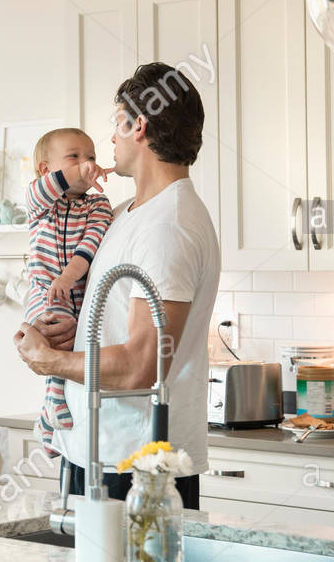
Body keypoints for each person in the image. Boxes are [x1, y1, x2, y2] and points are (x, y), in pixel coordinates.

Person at [13, 62, 220, 508]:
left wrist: (51, 360)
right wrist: (70, 335)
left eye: (116, 126)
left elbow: (142, 365)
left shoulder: (170, 226)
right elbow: (113, 326)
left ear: (139, 126)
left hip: (137, 468)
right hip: (98, 452)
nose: (109, 141)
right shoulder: (127, 213)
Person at [23, 127, 113, 452]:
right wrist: (56, 282)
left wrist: (69, 277)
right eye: (74, 157)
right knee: (52, 328)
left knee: (67, 348)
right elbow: (38, 192)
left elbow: (90, 244)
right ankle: (55, 403)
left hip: (76, 294)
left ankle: (48, 413)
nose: (87, 164)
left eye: (91, 157)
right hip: (42, 292)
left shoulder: (98, 205)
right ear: (47, 171)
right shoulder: (40, 205)